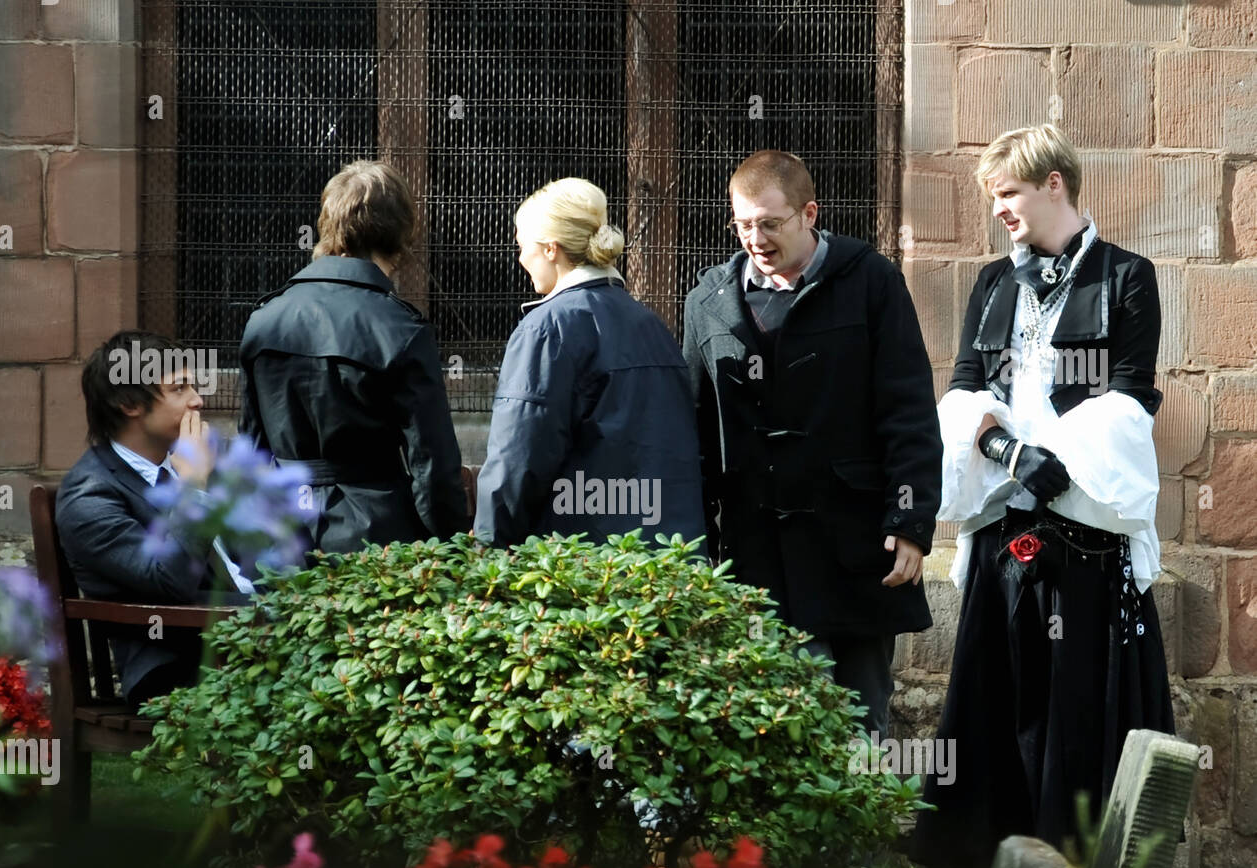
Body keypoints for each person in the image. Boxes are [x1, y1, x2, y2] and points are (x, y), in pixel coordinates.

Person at [908, 124, 1175, 868]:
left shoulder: (1127, 276)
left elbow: (1132, 395)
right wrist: (1006, 451)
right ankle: (987, 867)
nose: (999, 210)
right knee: (998, 696)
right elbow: (963, 388)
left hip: (1082, 527)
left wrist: (1058, 459)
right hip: (1004, 518)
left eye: (1008, 193)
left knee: (1073, 705)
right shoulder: (994, 283)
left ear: (1054, 182)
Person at [682, 150, 942, 738]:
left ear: (808, 214)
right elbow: (693, 433)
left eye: (770, 224)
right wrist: (694, 549)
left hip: (854, 548)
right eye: (743, 224)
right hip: (754, 555)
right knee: (772, 734)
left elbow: (908, 410)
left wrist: (911, 519)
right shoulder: (709, 302)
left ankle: (860, 833)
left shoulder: (871, 282)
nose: (756, 238)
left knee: (857, 728)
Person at [239, 159, 469, 557]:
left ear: (329, 224)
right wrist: (450, 549)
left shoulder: (264, 320)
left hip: (281, 532)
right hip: (377, 542)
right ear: (400, 230)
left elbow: (251, 448)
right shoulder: (400, 328)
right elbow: (431, 465)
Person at [473, 178, 705, 548]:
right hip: (665, 556)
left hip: (580, 565)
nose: (519, 259)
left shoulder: (546, 329)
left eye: (521, 246)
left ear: (551, 249)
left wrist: (489, 544)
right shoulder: (653, 326)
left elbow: (518, 455)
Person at [56, 331, 253, 711]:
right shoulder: (90, 496)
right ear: (129, 402)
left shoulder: (193, 462)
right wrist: (193, 486)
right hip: (180, 668)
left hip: (247, 635)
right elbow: (170, 579)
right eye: (180, 388)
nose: (198, 399)